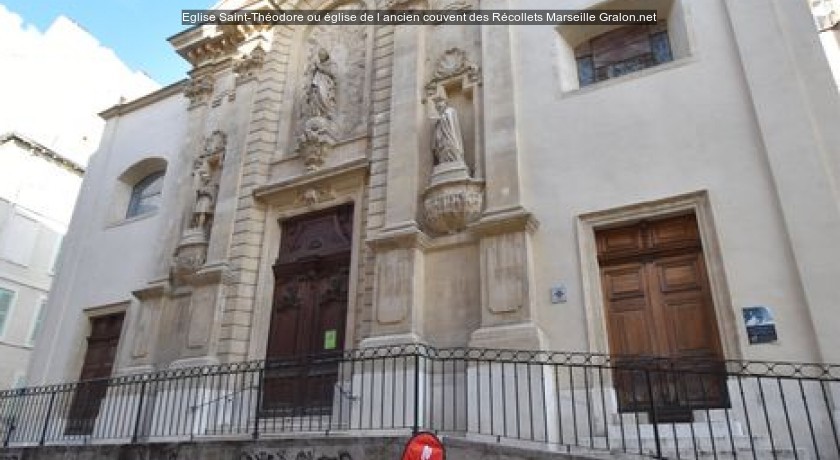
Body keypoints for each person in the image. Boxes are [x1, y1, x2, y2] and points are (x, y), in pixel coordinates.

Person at [305, 48, 337, 119]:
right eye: (320, 57)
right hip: (316, 83)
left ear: (326, 56)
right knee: (315, 95)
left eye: (322, 56)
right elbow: (312, 74)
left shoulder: (332, 64)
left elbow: (333, 74)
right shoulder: (318, 64)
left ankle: (326, 112)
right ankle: (317, 113)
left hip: (326, 84)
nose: (321, 58)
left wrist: (320, 68)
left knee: (323, 95)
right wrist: (313, 68)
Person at [432, 98, 465, 164]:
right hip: (442, 137)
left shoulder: (450, 111)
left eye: (440, 106)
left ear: (444, 104)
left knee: (449, 146)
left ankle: (453, 161)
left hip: (449, 136)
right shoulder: (441, 115)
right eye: (437, 107)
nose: (438, 108)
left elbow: (450, 123)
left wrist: (440, 118)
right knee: (442, 148)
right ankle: (444, 162)